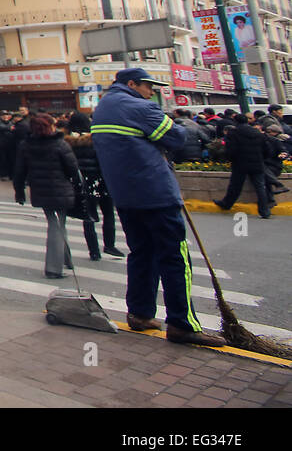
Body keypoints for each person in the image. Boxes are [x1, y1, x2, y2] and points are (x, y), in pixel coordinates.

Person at [92, 68, 224, 346]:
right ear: (132, 84)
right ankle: (182, 324)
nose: (151, 92)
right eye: (148, 86)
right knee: (175, 257)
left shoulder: (102, 107)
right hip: (155, 193)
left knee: (142, 253)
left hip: (125, 195)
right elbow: (177, 137)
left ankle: (140, 313)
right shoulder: (140, 107)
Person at [13, 113, 79, 278]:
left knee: (55, 222)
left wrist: (19, 192)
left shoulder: (26, 145)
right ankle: (53, 268)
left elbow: (19, 171)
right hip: (61, 188)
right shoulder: (60, 144)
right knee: (58, 224)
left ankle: (66, 259)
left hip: (40, 189)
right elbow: (72, 168)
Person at [65, 111, 124, 259]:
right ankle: (110, 245)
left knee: (88, 217)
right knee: (108, 213)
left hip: (83, 183)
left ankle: (94, 251)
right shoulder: (97, 139)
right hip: (102, 180)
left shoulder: (68, 141)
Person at [217, 114, 274, 218]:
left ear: (236, 122)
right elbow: (267, 149)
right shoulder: (257, 133)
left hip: (240, 164)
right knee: (260, 187)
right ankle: (265, 211)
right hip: (257, 163)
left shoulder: (233, 133)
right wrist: (262, 159)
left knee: (235, 186)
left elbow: (231, 150)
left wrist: (230, 159)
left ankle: (227, 204)